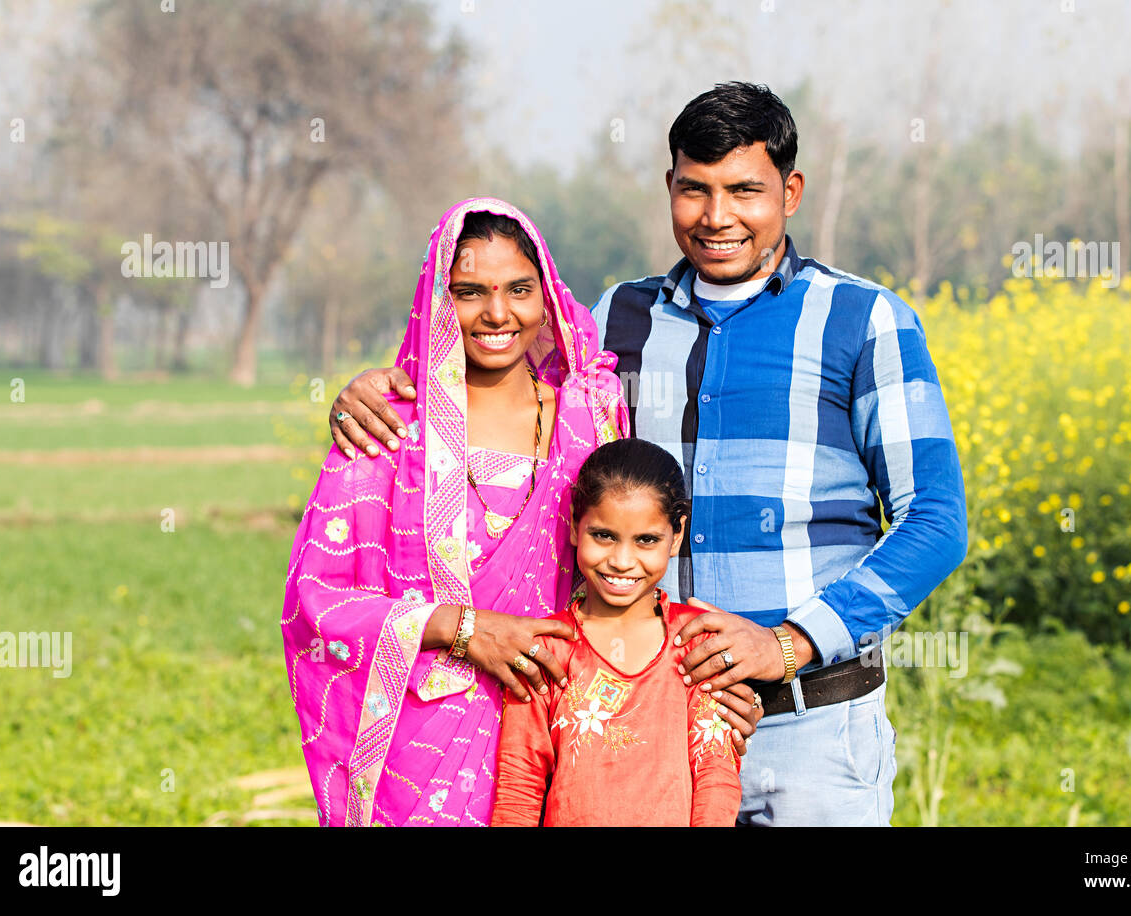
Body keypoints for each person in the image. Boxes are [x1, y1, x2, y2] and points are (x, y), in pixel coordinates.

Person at [325, 83, 969, 826]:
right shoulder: (614, 322)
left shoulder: (864, 322)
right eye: (694, 189)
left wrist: (787, 645)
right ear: (669, 187)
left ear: (790, 192)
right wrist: (379, 394)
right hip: (642, 739)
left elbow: (935, 523)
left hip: (810, 734)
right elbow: (488, 395)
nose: (716, 216)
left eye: (744, 191)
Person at [281, 197, 632, 826]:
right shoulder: (385, 430)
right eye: (470, 292)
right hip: (420, 758)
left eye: (520, 288)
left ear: (547, 295)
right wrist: (464, 629)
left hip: (559, 730)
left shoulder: (592, 416)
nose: (498, 314)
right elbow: (318, 601)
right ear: (438, 300)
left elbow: (630, 561)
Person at [491, 438, 741, 826]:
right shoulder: (547, 651)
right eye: (604, 535)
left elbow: (716, 776)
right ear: (575, 525)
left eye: (646, 540)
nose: (622, 561)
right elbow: (520, 787)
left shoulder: (696, 644)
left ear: (676, 536)